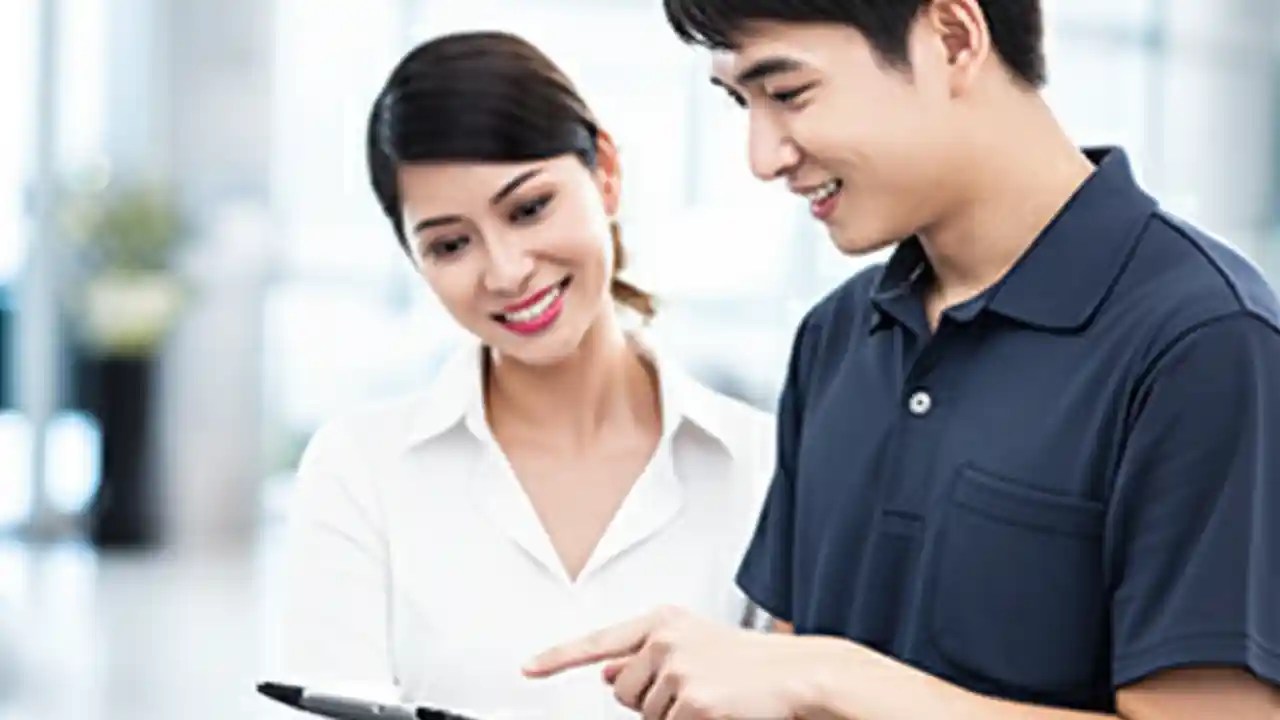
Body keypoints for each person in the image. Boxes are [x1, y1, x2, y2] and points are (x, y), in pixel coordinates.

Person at [524, 1, 1280, 718]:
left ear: (952, 37)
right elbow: (784, 677)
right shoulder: (837, 335)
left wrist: (830, 676)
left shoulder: (1205, 343)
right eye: (739, 103)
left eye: (788, 92)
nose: (762, 156)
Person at [275, 30, 774, 718]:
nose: (506, 271)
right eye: (451, 244)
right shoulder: (358, 470)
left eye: (529, 208)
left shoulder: (761, 466)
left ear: (604, 172)